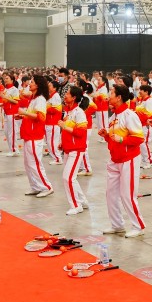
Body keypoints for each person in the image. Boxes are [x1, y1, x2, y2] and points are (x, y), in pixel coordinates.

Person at [99, 84, 146, 238]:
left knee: (127, 194)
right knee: (110, 193)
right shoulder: (113, 117)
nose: (108, 96)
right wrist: (106, 135)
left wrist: (122, 139)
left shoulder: (130, 115)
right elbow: (113, 139)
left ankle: (138, 226)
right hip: (114, 159)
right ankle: (117, 224)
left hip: (129, 159)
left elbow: (139, 138)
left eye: (111, 93)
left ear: (119, 97)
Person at [18, 75, 53, 197]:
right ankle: (35, 186)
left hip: (34, 136)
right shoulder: (33, 99)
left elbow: (41, 117)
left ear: (37, 85)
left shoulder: (40, 99)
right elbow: (32, 115)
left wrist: (24, 113)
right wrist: (23, 116)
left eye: (32, 82)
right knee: (28, 163)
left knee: (34, 163)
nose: (29, 84)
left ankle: (46, 187)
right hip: (29, 134)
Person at [58, 86, 90, 215]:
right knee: (71, 177)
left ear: (74, 98)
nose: (65, 96)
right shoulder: (68, 112)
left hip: (76, 150)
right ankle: (82, 201)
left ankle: (76, 206)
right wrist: (62, 142)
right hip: (68, 149)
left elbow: (81, 133)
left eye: (68, 94)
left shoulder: (79, 112)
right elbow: (68, 132)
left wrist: (64, 126)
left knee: (67, 178)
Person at [134, 84, 152, 169]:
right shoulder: (142, 101)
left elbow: (149, 115)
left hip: (147, 126)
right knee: (142, 144)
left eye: (141, 90)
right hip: (141, 125)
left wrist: (138, 117)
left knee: (144, 144)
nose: (139, 91)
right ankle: (145, 160)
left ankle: (150, 161)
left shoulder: (149, 101)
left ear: (146, 92)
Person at [0, 74, 21, 156]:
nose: (5, 79)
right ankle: (12, 148)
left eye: (7, 78)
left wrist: (5, 97)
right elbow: (6, 101)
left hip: (12, 113)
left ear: (12, 80)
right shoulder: (6, 89)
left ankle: (14, 150)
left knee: (12, 132)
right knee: (6, 132)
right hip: (6, 113)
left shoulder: (14, 90)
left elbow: (16, 101)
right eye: (4, 78)